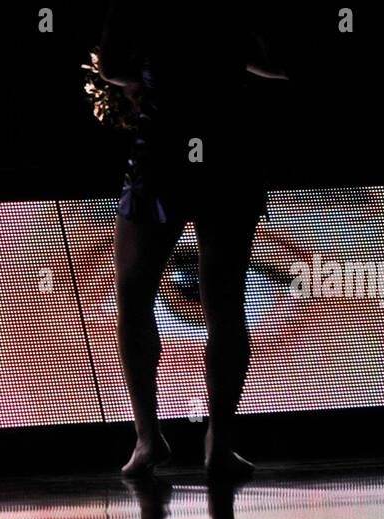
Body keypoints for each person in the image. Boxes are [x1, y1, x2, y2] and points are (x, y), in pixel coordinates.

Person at [98, 5, 288, 479]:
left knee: (135, 295)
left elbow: (112, 64)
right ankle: (218, 443)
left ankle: (149, 438)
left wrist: (159, 69)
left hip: (165, 148)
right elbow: (270, 59)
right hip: (227, 150)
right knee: (225, 299)